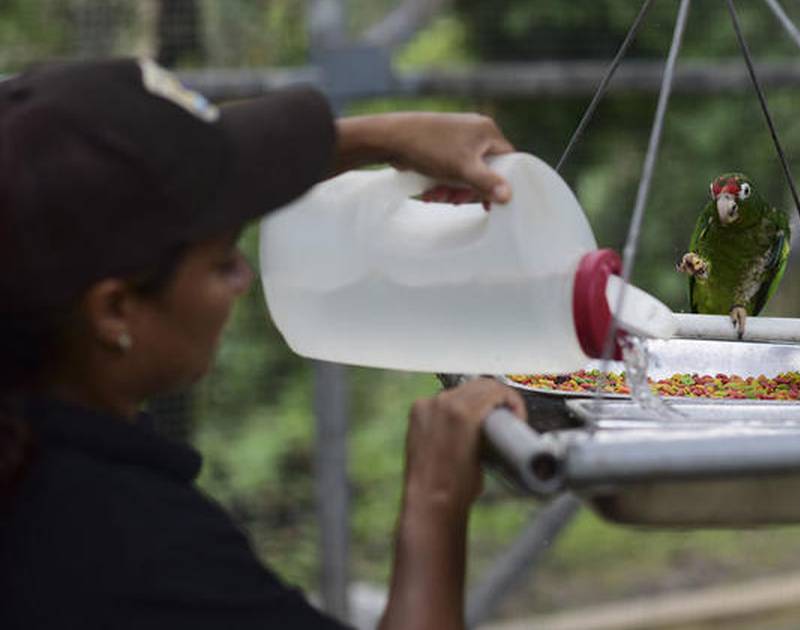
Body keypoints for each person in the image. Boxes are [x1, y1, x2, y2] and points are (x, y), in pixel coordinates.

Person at [0, 57, 528, 629]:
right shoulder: (130, 550)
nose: (242, 279)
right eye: (222, 259)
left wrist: (384, 138)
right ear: (114, 309)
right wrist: (436, 499)